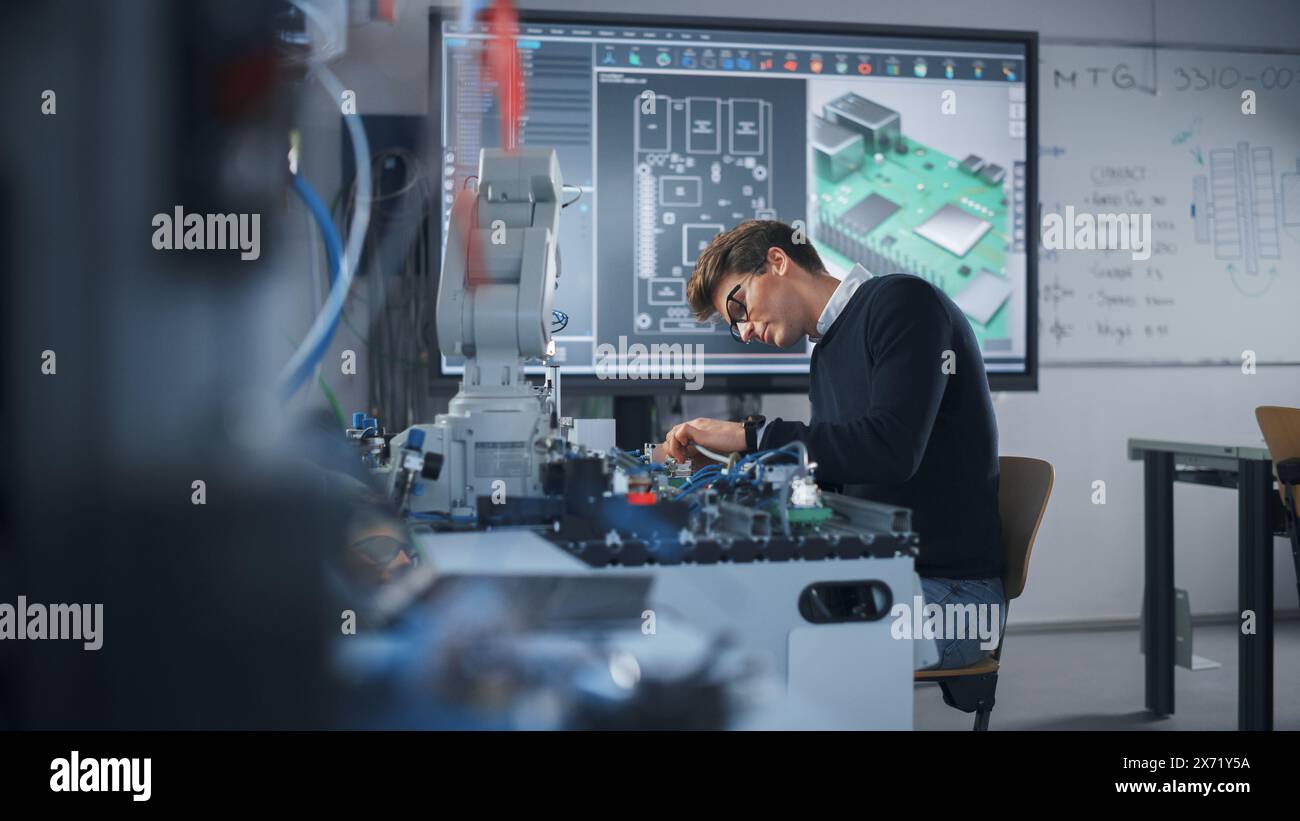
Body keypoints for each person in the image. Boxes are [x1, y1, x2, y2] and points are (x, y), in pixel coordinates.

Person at [662, 219, 1005, 668]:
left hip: (953, 597)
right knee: (730, 612)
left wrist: (750, 437)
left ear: (778, 261)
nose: (744, 331)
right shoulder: (825, 352)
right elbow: (839, 470)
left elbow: (890, 450)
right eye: (734, 326)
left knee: (774, 642)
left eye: (739, 307)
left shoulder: (903, 302)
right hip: (882, 573)